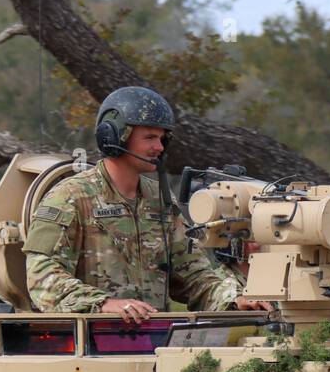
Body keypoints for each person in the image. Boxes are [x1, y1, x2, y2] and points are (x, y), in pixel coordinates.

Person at [23, 86, 272, 324]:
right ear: (114, 136)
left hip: (154, 342)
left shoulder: (160, 199)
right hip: (92, 344)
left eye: (162, 138)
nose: (159, 147)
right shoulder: (71, 196)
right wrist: (104, 304)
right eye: (150, 137)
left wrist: (234, 299)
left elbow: (194, 275)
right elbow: (42, 277)